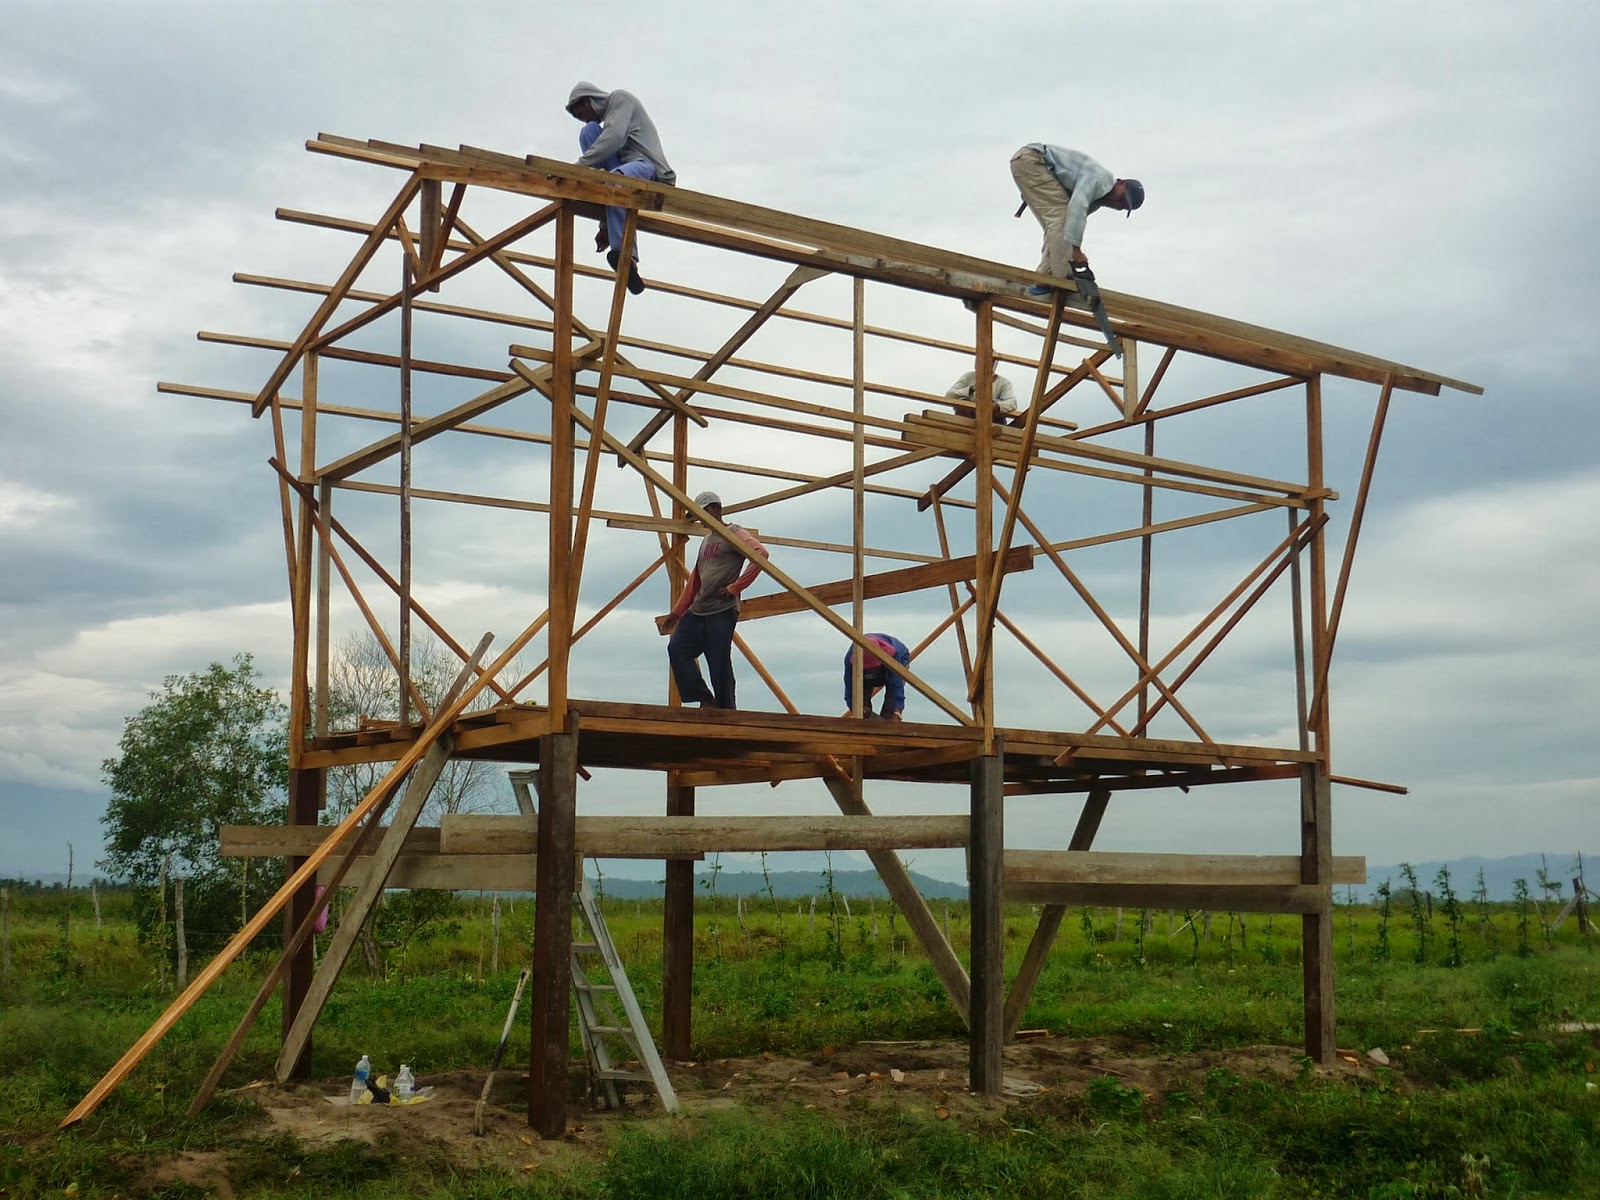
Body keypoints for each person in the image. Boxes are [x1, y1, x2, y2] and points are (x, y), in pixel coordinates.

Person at [656, 491, 768, 710]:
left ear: (716, 508)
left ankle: (726, 711)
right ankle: (704, 697)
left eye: (703, 512)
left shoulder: (734, 532)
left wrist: (735, 587)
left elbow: (760, 554)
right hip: (699, 609)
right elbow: (695, 581)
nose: (700, 518)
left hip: (722, 610)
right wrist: (676, 613)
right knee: (677, 649)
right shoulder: (706, 540)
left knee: (719, 662)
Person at [566, 81, 677, 296]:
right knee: (588, 132)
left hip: (648, 168)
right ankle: (614, 229)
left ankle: (627, 257)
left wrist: (579, 167)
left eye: (583, 112)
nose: (585, 118)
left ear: (590, 100)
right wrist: (605, 226)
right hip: (623, 169)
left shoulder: (620, 99)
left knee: (617, 183)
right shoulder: (604, 120)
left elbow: (614, 138)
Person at [1010, 143, 1143, 295]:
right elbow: (1075, 209)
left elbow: (1065, 230)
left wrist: (1071, 253)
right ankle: (1061, 279)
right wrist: (1076, 251)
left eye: (1122, 206)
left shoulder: (1097, 199)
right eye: (1121, 198)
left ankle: (1044, 278)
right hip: (1033, 161)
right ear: (1122, 183)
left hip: (1029, 163)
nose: (1117, 204)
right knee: (1061, 218)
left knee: (1059, 225)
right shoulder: (1100, 180)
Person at [843, 633, 911, 721]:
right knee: (861, 705)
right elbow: (850, 692)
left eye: (873, 668)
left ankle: (887, 721)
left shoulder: (893, 656)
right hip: (863, 672)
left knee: (890, 706)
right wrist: (859, 709)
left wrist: (897, 713)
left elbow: (896, 685)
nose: (871, 671)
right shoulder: (850, 661)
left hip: (896, 658)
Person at [946, 369, 1019, 420]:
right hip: (967, 419)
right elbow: (949, 395)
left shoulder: (1003, 383)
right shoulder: (968, 377)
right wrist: (970, 390)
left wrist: (996, 406)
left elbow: (1012, 403)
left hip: (992, 421)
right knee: (962, 403)